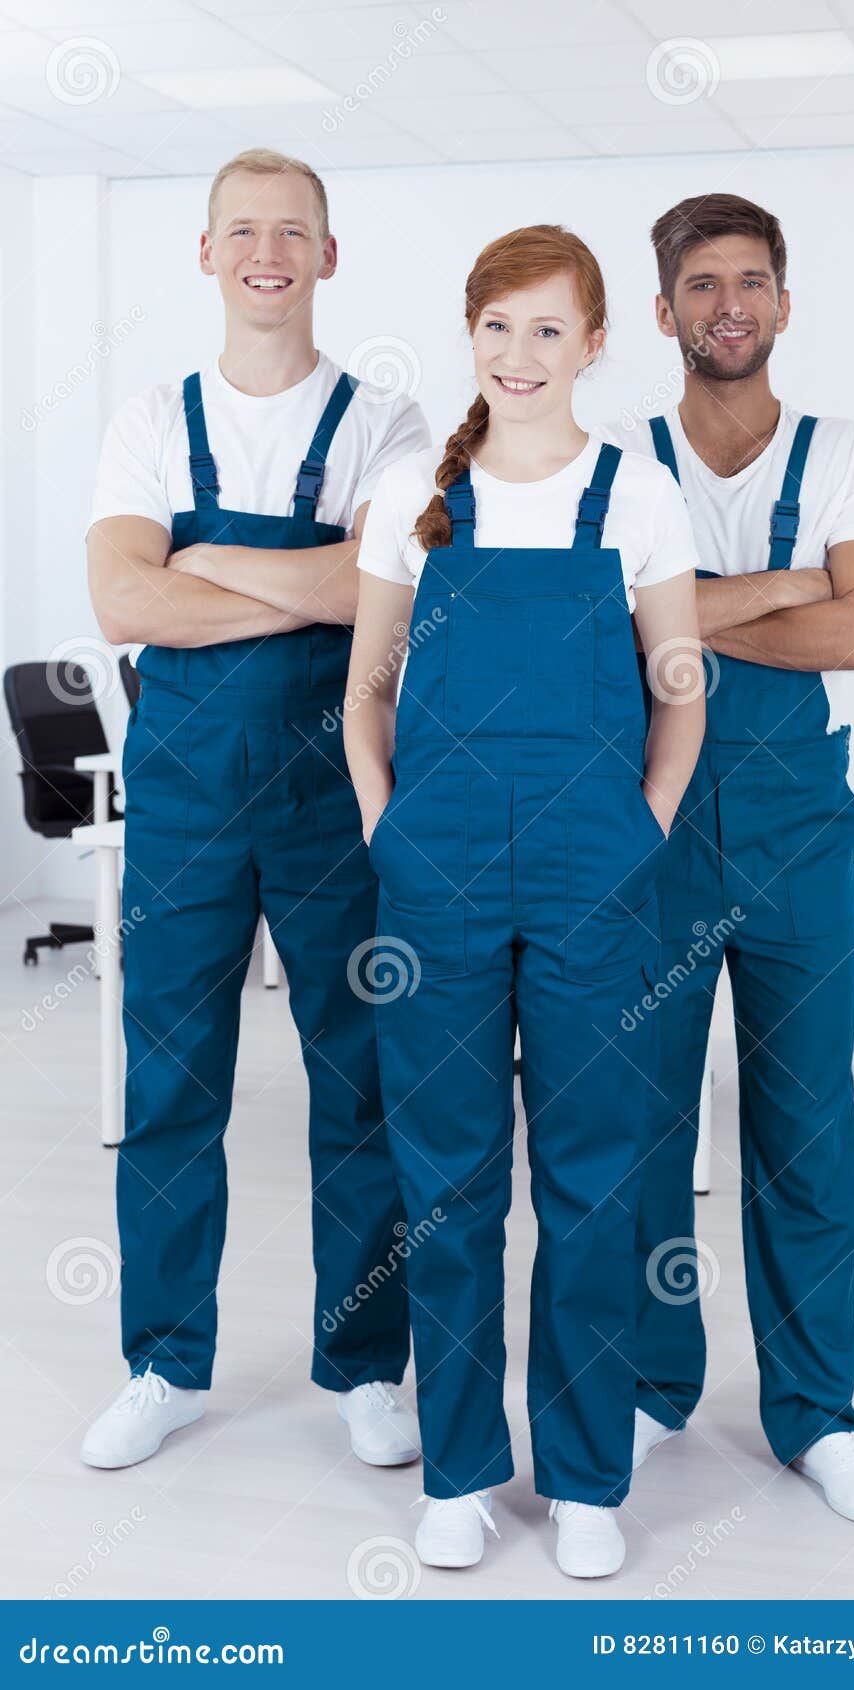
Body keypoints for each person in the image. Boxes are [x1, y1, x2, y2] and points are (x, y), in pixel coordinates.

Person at [346, 225, 704, 1577]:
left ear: (595, 343)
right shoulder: (413, 494)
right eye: (498, 326)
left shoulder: (637, 494)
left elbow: (681, 687)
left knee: (595, 1176)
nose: (520, 353)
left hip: (591, 871)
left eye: (549, 329)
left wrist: (640, 830)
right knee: (445, 1179)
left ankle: (588, 1478)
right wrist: (385, 825)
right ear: (471, 336)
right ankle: (456, 1473)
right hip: (434, 868)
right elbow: (366, 689)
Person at [82, 149, 425, 1472]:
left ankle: (367, 1365)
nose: (266, 254)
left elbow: (384, 596)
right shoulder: (148, 421)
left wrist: (210, 559)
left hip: (340, 781)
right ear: (206, 252)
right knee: (172, 1076)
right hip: (186, 792)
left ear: (328, 256)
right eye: (242, 231)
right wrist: (312, 577)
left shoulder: (386, 421)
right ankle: (165, 1362)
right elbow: (126, 600)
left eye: (292, 232)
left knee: (363, 1073)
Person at [616, 193, 854, 1524]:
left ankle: (817, 1414)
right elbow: (604, 632)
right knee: (640, 1131)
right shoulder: (622, 466)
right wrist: (792, 585)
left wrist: (681, 613)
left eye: (750, 280)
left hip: (796, 838)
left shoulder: (842, 454)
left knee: (805, 1135)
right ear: (664, 310)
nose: (727, 304)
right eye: (701, 283)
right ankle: (648, 1384)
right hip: (652, 832)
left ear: (783, 302)